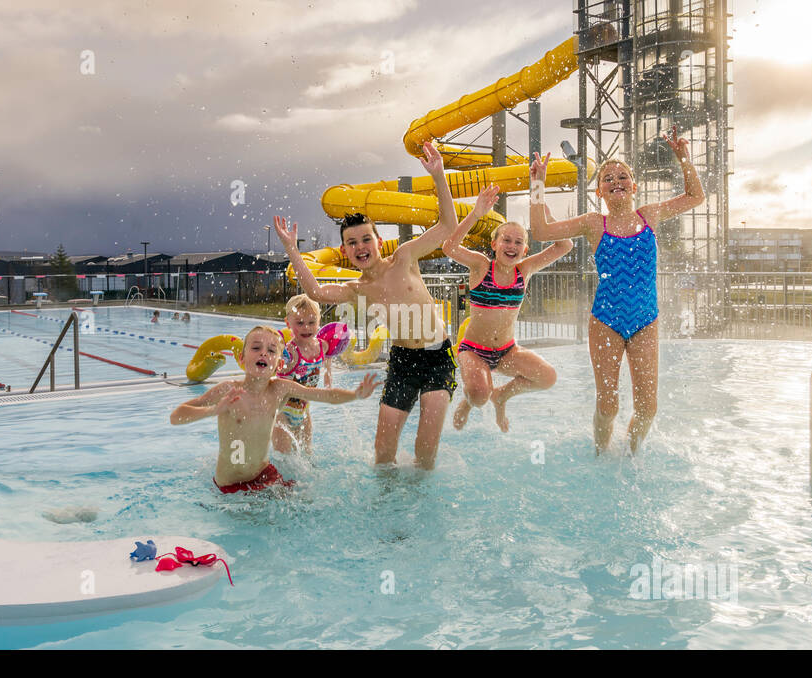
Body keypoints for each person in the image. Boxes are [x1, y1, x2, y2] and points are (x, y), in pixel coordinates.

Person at [279, 140, 459, 470]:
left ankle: (420, 508)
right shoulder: (356, 289)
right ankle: (390, 514)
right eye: (352, 243)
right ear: (345, 251)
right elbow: (316, 292)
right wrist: (292, 249)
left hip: (438, 356)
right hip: (404, 360)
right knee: (383, 455)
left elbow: (448, 226)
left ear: (378, 241)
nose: (360, 246)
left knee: (424, 452)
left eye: (366, 239)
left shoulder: (404, 258)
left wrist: (438, 176)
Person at [529, 124, 705, 454]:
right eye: (607, 179)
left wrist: (684, 159)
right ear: (600, 193)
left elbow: (696, 197)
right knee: (608, 407)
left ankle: (632, 453)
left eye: (622, 176)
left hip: (646, 322)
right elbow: (540, 230)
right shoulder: (595, 223)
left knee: (648, 408)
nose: (615, 181)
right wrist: (537, 184)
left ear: (634, 186)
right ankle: (600, 452)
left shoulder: (650, 215)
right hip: (606, 322)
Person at [169, 325, 380, 493]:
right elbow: (176, 416)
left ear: (279, 366)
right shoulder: (228, 390)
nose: (263, 354)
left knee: (305, 503)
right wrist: (214, 410)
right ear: (242, 359)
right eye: (256, 348)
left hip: (265, 474)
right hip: (231, 486)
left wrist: (355, 395)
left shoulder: (279, 389)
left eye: (271, 351)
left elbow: (323, 395)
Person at [442, 184, 573, 432]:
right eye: (506, 240)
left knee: (548, 377)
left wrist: (549, 220)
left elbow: (565, 246)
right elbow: (449, 248)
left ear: (525, 250)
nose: (511, 246)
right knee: (479, 394)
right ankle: (469, 403)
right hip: (473, 350)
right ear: (494, 244)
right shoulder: (482, 266)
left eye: (518, 242)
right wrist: (476, 213)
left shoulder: (524, 270)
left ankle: (501, 395)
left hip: (506, 351)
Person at [273, 294, 334, 454]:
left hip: (304, 412)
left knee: (307, 455)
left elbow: (327, 365)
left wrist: (328, 382)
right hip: (282, 414)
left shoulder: (323, 346)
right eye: (299, 323)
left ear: (319, 322)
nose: (306, 327)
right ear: (288, 323)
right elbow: (275, 374)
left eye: (311, 322)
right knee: (284, 459)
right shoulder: (289, 352)